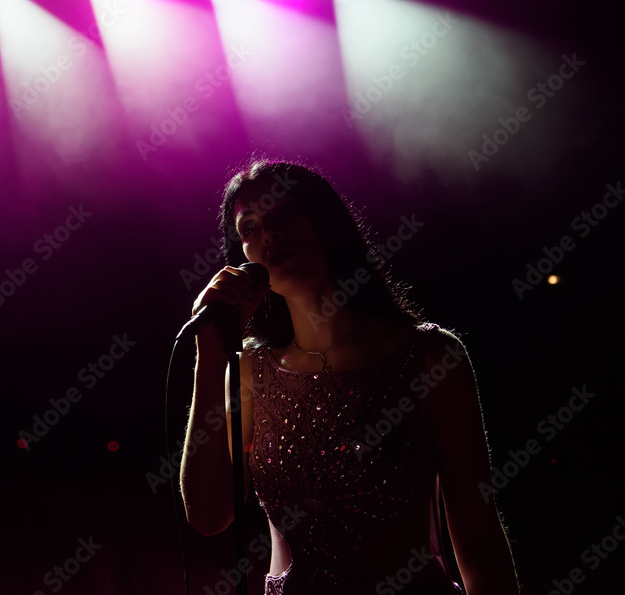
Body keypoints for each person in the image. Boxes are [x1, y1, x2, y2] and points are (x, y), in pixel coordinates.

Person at [179, 159, 520, 594]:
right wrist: (208, 358)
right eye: (249, 228)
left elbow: (479, 538)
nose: (269, 234)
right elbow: (208, 516)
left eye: (284, 213)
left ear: (326, 222)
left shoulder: (430, 358)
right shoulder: (249, 372)